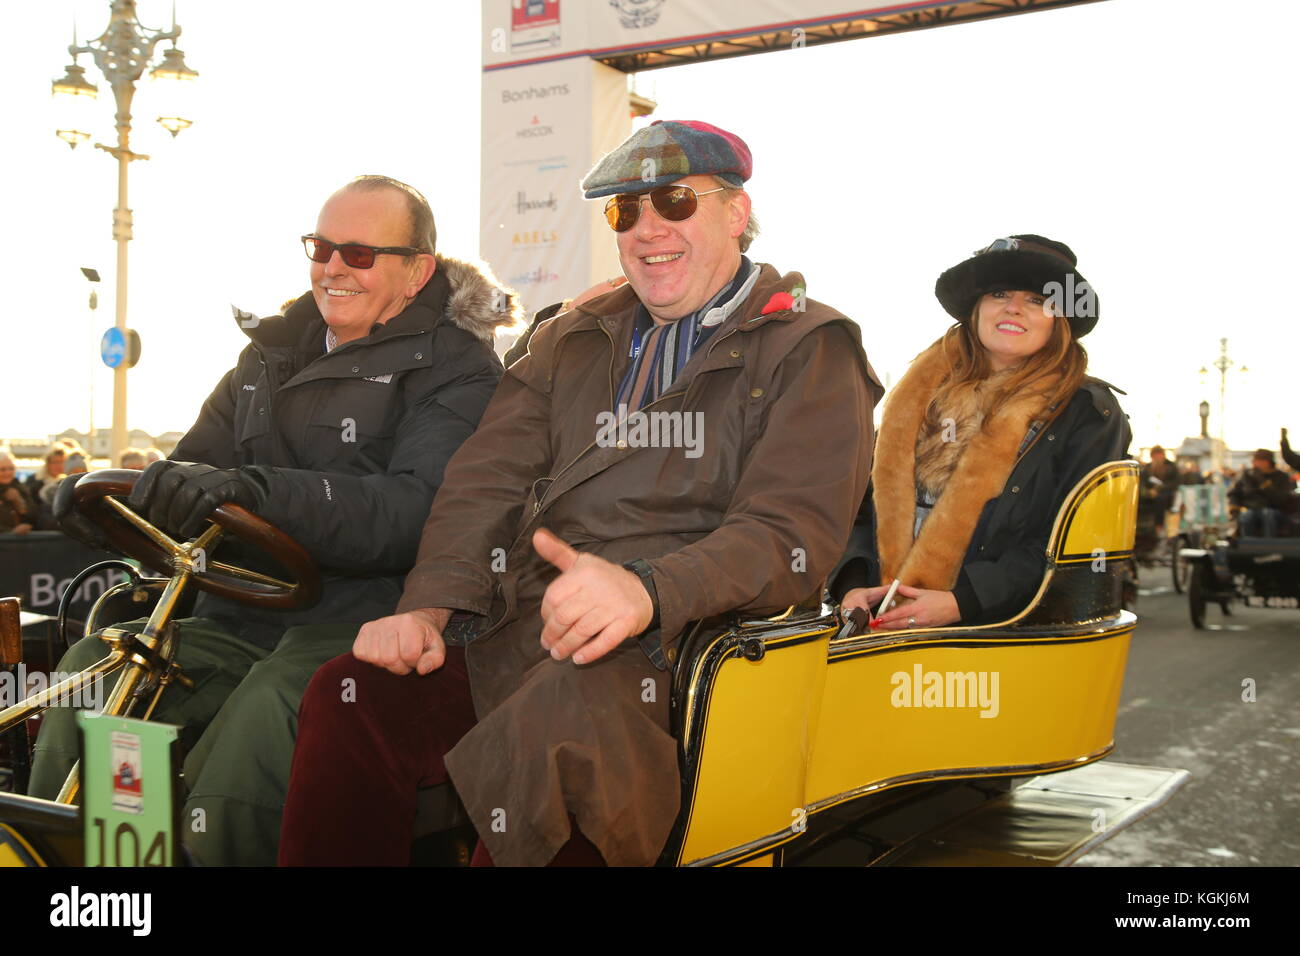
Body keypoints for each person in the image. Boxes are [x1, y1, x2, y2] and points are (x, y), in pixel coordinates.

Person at [279, 120, 882, 866]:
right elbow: (484, 482)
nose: (647, 229)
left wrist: (644, 590)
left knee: (563, 726)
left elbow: (788, 536)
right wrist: (426, 608)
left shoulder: (809, 347)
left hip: (678, 650)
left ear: (734, 213)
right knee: (354, 693)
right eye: (626, 212)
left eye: (673, 202)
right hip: (520, 625)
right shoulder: (572, 337)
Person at [31, 174, 522, 865]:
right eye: (321, 248)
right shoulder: (265, 356)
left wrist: (257, 491)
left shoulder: (460, 371)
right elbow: (190, 474)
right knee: (104, 668)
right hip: (235, 615)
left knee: (268, 706)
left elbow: (412, 511)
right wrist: (112, 505)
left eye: (358, 253)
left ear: (417, 272)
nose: (332, 268)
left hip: (365, 620)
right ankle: (110, 867)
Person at [832, 235, 1131, 629]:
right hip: (879, 629)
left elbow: (1078, 547)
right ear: (976, 309)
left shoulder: (1090, 413)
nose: (1013, 308)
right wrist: (853, 586)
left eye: (1038, 300)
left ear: (1061, 321)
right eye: (999, 293)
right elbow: (861, 511)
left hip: (1003, 642)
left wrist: (964, 602)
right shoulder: (917, 398)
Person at [1229, 448, 1293, 537]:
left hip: (1274, 510)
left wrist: (1265, 485)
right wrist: (1234, 505)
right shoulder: (1247, 475)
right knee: (1247, 516)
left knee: (1268, 514)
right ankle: (1248, 544)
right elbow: (1234, 493)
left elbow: (1282, 499)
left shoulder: (1281, 477)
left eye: (1257, 461)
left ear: (1267, 462)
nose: (1253, 463)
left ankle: (1269, 544)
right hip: (1250, 508)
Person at [1138, 445, 1180, 535]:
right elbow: (1143, 482)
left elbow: (1174, 483)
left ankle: (1159, 527)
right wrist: (1148, 492)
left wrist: (1159, 489)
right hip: (1151, 495)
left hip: (1167, 494)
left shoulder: (1172, 467)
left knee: (1160, 500)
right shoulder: (1147, 468)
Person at [0, 448, 36, 535]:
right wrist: (10, 532)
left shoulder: (21, 488)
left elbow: (34, 516)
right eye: (2, 469)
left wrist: (19, 501)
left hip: (21, 544)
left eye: (11, 468)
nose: (8, 472)